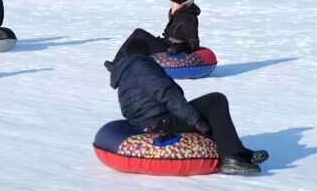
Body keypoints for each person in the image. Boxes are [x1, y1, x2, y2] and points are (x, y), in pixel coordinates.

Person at [109, 38, 268, 175]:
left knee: (204, 107)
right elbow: (167, 93)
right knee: (215, 101)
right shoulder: (143, 66)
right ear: (146, 53)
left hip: (147, 122)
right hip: (161, 122)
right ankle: (230, 158)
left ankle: (237, 151)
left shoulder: (126, 72)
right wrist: (195, 120)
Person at [106, 0, 200, 67]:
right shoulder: (177, 14)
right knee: (139, 38)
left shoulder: (189, 19)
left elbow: (193, 43)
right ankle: (121, 62)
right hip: (165, 44)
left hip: (171, 49)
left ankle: (117, 63)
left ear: (181, 4)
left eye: (173, 2)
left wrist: (179, 47)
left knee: (139, 33)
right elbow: (169, 35)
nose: (170, 4)